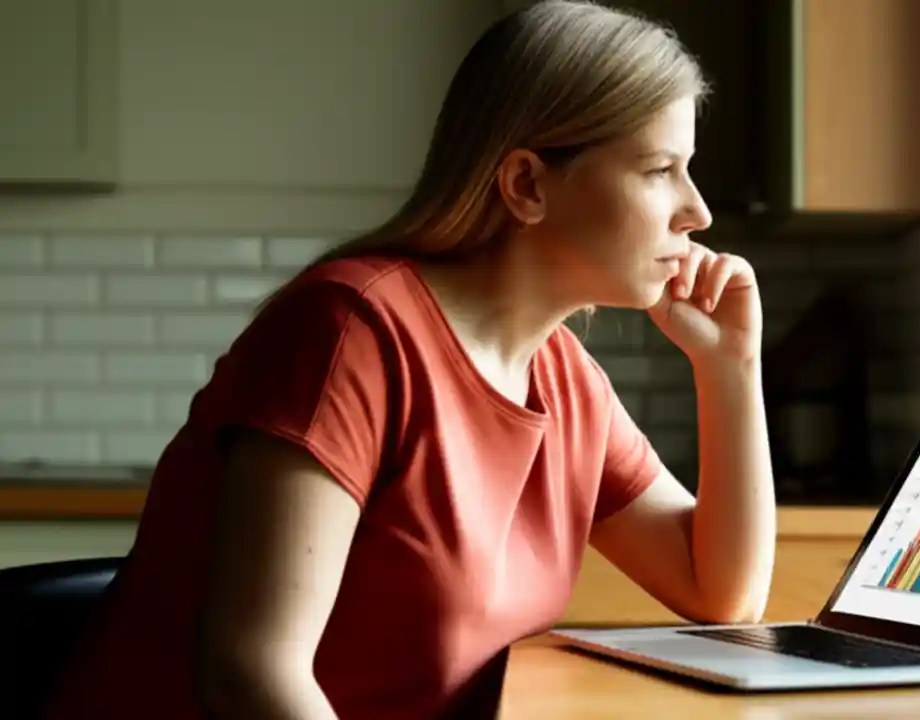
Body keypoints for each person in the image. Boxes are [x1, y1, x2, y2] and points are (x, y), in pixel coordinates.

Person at [43, 1, 776, 717]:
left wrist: (731, 368)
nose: (697, 211)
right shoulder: (351, 332)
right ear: (526, 185)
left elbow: (722, 596)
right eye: (659, 170)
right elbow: (251, 676)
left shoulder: (564, 379)